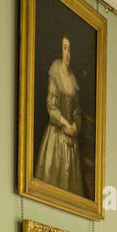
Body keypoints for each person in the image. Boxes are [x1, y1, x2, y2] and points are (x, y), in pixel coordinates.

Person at [34, 34, 83, 195]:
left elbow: (77, 111)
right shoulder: (55, 71)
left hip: (71, 139)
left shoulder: (73, 79)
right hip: (56, 135)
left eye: (69, 49)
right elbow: (52, 106)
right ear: (60, 50)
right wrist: (65, 124)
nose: (67, 53)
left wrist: (74, 127)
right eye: (64, 48)